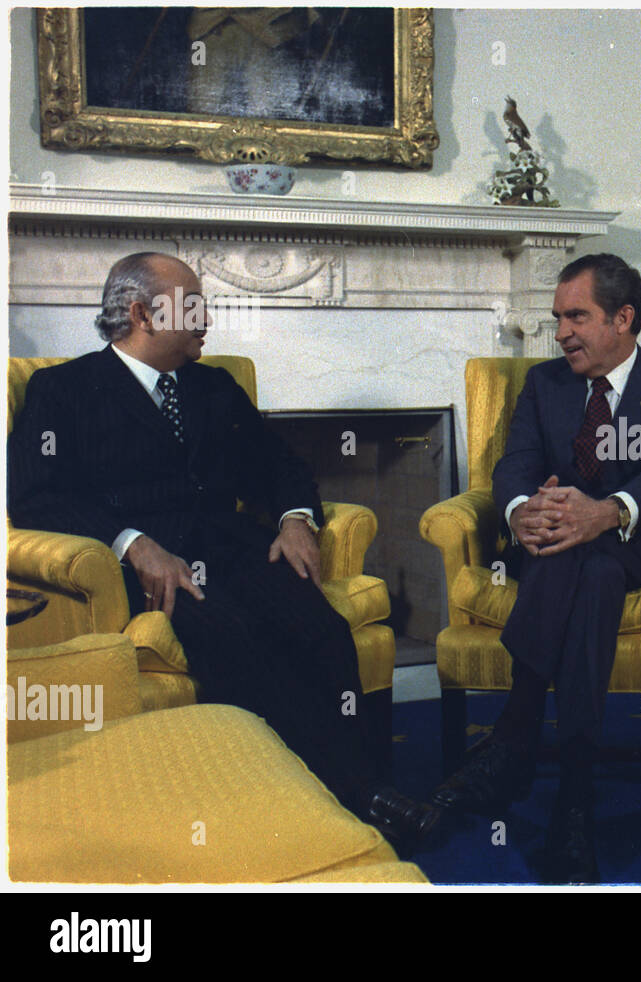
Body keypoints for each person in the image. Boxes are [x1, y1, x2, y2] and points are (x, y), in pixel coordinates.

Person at [7, 252, 439, 852]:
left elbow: (282, 464)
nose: (208, 317)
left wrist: (294, 521)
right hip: (153, 574)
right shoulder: (63, 391)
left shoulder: (214, 387)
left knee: (322, 629)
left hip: (237, 553)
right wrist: (133, 545)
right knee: (238, 643)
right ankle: (341, 802)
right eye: (193, 305)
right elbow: (35, 498)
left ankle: (358, 795)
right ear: (141, 313)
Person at [430, 253, 641, 883]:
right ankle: (575, 796)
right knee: (589, 568)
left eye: (576, 316)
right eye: (558, 317)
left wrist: (606, 511)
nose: (561, 333)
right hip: (572, 552)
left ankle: (516, 737)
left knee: (591, 551)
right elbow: (514, 465)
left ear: (623, 317)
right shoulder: (546, 384)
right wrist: (524, 510)